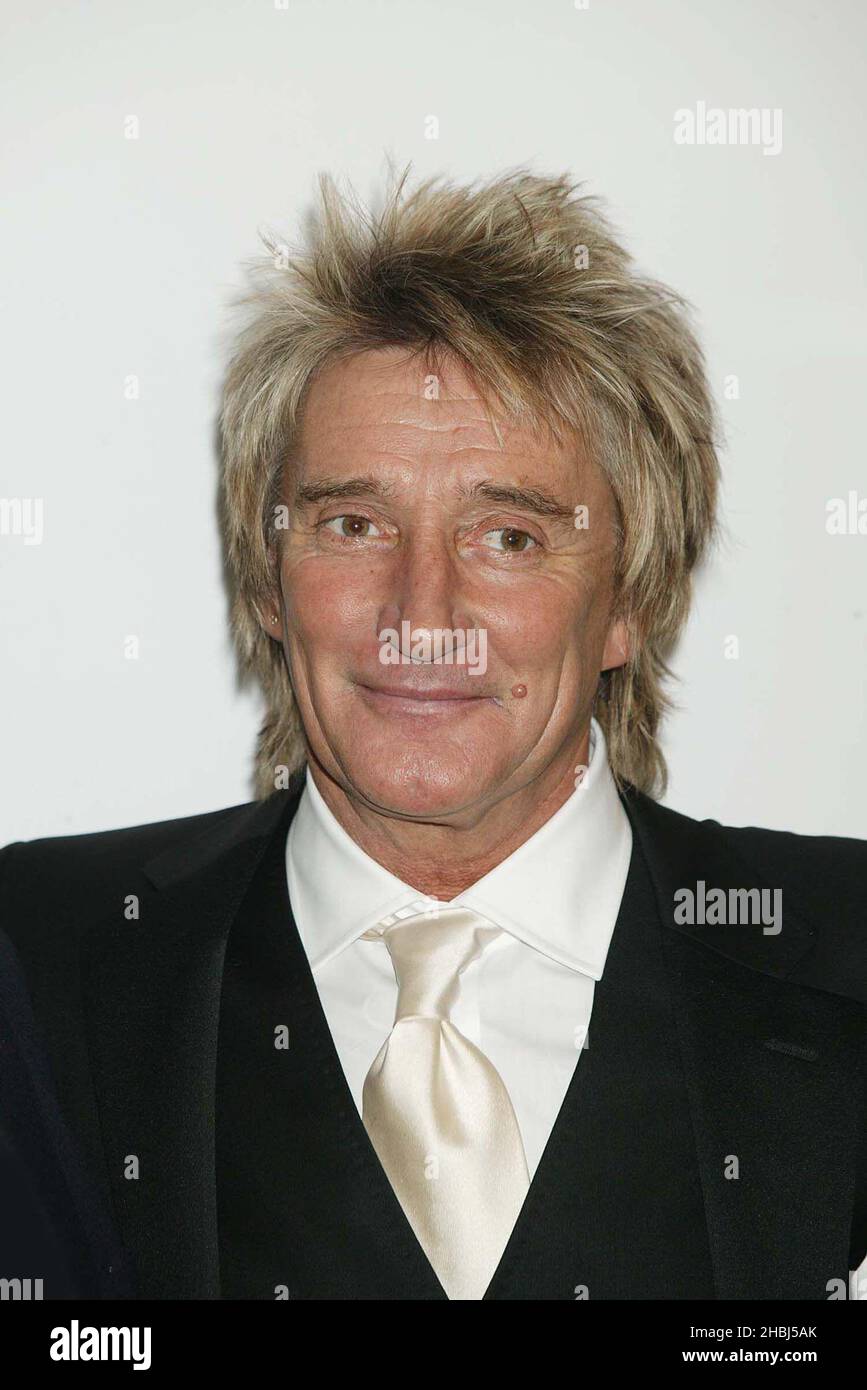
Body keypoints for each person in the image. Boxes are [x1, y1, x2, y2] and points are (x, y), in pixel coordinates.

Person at [3, 170, 865, 1300]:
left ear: (629, 598)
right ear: (268, 578)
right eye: (353, 524)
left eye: (508, 535)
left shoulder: (843, 952)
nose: (422, 617)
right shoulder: (34, 958)